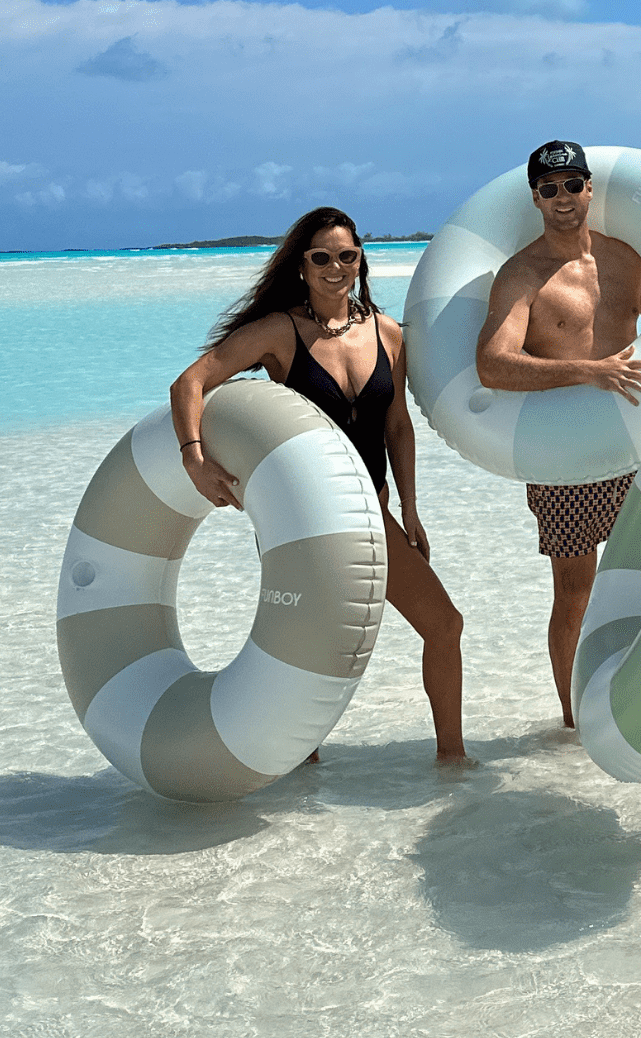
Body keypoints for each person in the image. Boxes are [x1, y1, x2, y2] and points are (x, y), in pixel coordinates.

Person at [169, 206, 468, 761]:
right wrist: (195, 458)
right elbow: (191, 382)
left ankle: (452, 761)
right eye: (321, 257)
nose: (336, 267)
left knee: (444, 626)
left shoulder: (387, 332)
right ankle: (297, 772)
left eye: (347, 255)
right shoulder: (279, 333)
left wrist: (411, 509)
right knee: (312, 651)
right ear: (302, 266)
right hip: (302, 519)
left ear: (361, 260)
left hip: (370, 513)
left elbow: (397, 426)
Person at [474, 140, 641, 727]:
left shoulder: (625, 262)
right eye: (549, 189)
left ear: (589, 189)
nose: (562, 199)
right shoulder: (522, 274)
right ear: (535, 197)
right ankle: (574, 720)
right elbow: (493, 364)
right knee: (575, 588)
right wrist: (590, 370)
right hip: (563, 453)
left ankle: (638, 700)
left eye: (572, 185)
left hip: (634, 442)